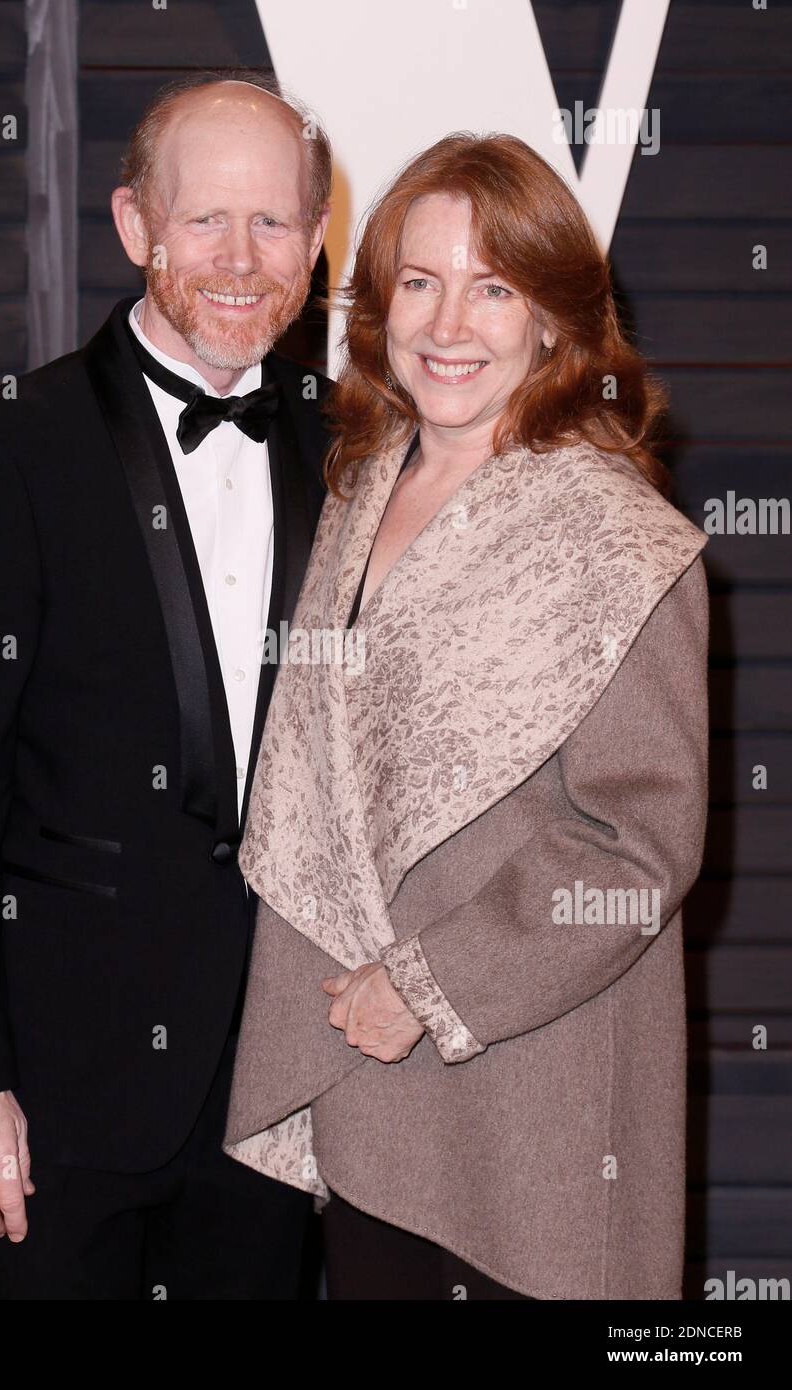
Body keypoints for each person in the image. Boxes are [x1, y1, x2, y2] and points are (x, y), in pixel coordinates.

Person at [223, 132, 709, 1300]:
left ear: (552, 318)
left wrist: (433, 983)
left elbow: (639, 846)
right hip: (367, 1104)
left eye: (493, 288)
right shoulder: (362, 481)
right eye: (420, 284)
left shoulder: (616, 539)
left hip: (526, 1115)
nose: (449, 325)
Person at [0, 73, 331, 1300]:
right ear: (135, 227)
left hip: (280, 1096)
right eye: (205, 223)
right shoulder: (6, 448)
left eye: (274, 224)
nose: (242, 260)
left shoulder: (350, 443)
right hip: (49, 1098)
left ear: (315, 236)